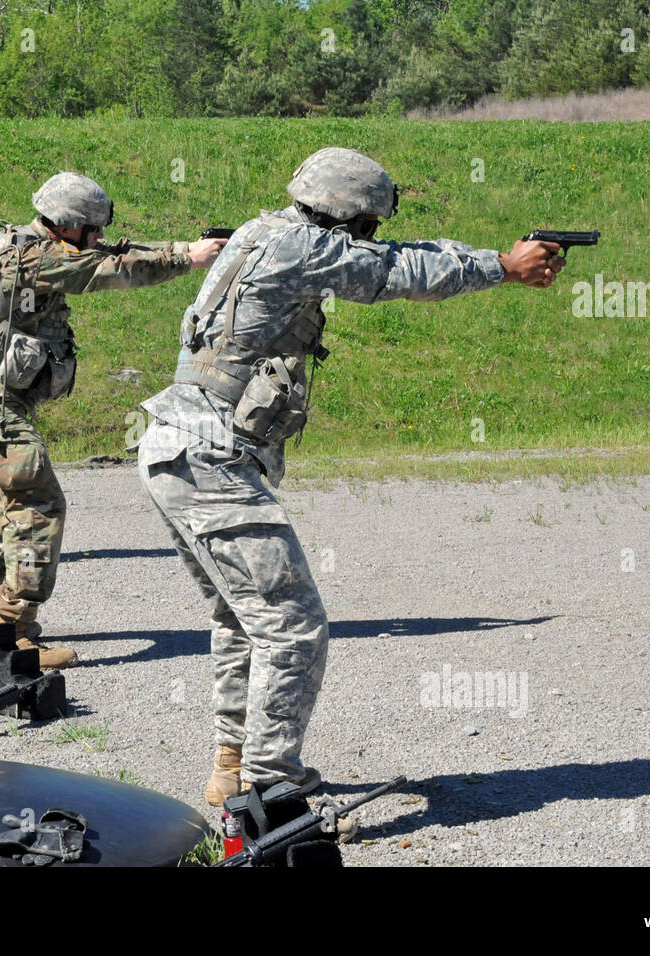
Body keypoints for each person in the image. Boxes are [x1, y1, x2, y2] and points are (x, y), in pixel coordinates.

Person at [135, 147, 566, 806]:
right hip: (209, 459)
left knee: (241, 619)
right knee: (292, 625)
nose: (372, 237)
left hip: (182, 450)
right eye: (368, 224)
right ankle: (271, 794)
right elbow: (392, 269)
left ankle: (232, 767)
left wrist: (489, 261)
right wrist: (503, 267)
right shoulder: (299, 247)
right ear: (348, 217)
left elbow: (389, 254)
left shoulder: (265, 233)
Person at [0, 172, 226, 669]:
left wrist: (189, 247)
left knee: (18, 499)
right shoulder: (36, 259)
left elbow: (112, 251)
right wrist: (188, 258)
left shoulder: (28, 244)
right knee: (40, 503)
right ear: (67, 226)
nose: (98, 237)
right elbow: (112, 269)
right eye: (91, 229)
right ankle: (12, 638)